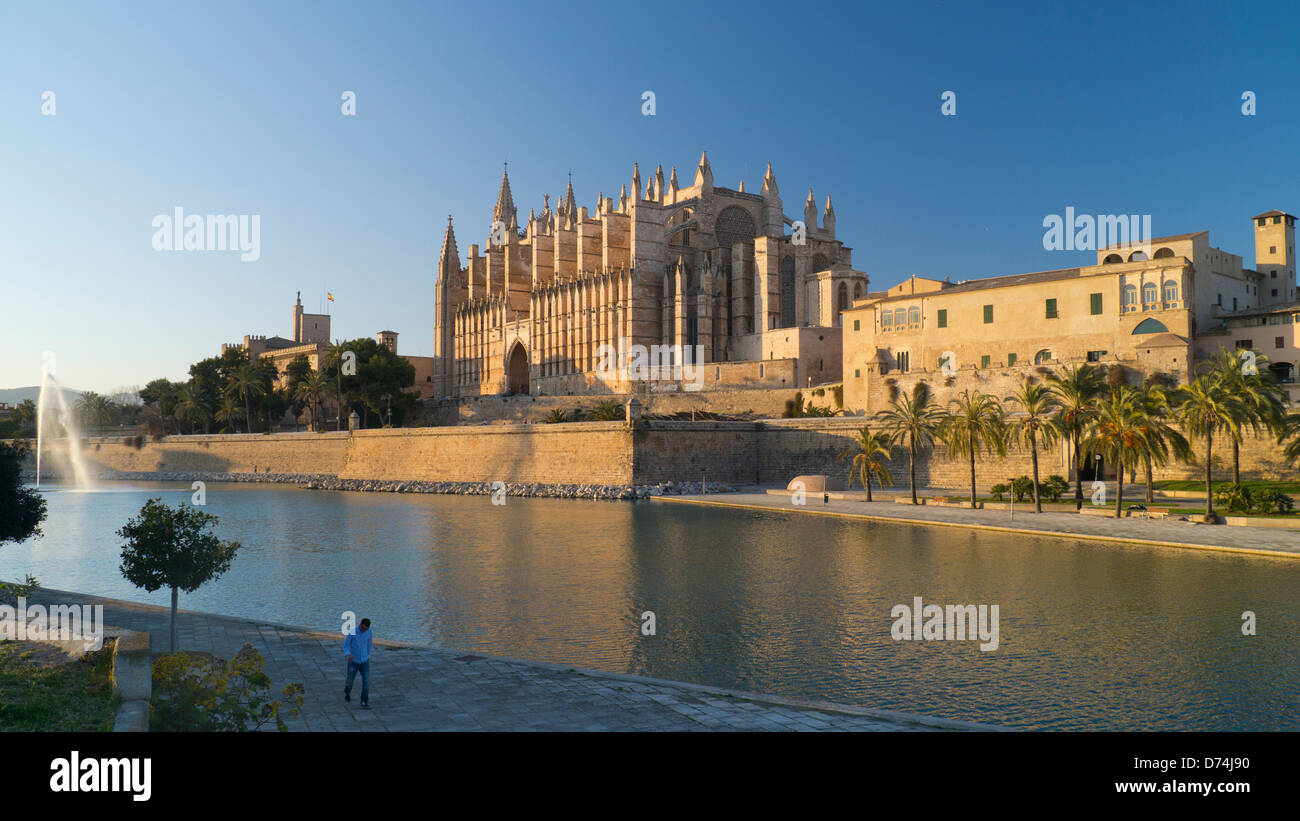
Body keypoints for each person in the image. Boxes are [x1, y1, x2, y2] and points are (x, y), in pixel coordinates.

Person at [343, 617, 373, 708]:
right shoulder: (353, 631)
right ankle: (347, 692)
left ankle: (364, 701)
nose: (364, 630)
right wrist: (348, 654)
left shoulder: (369, 632)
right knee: (350, 680)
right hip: (353, 661)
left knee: (366, 681)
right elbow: (345, 645)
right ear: (360, 624)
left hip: (364, 661)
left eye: (366, 629)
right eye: (363, 628)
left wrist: (368, 655)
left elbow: (369, 644)